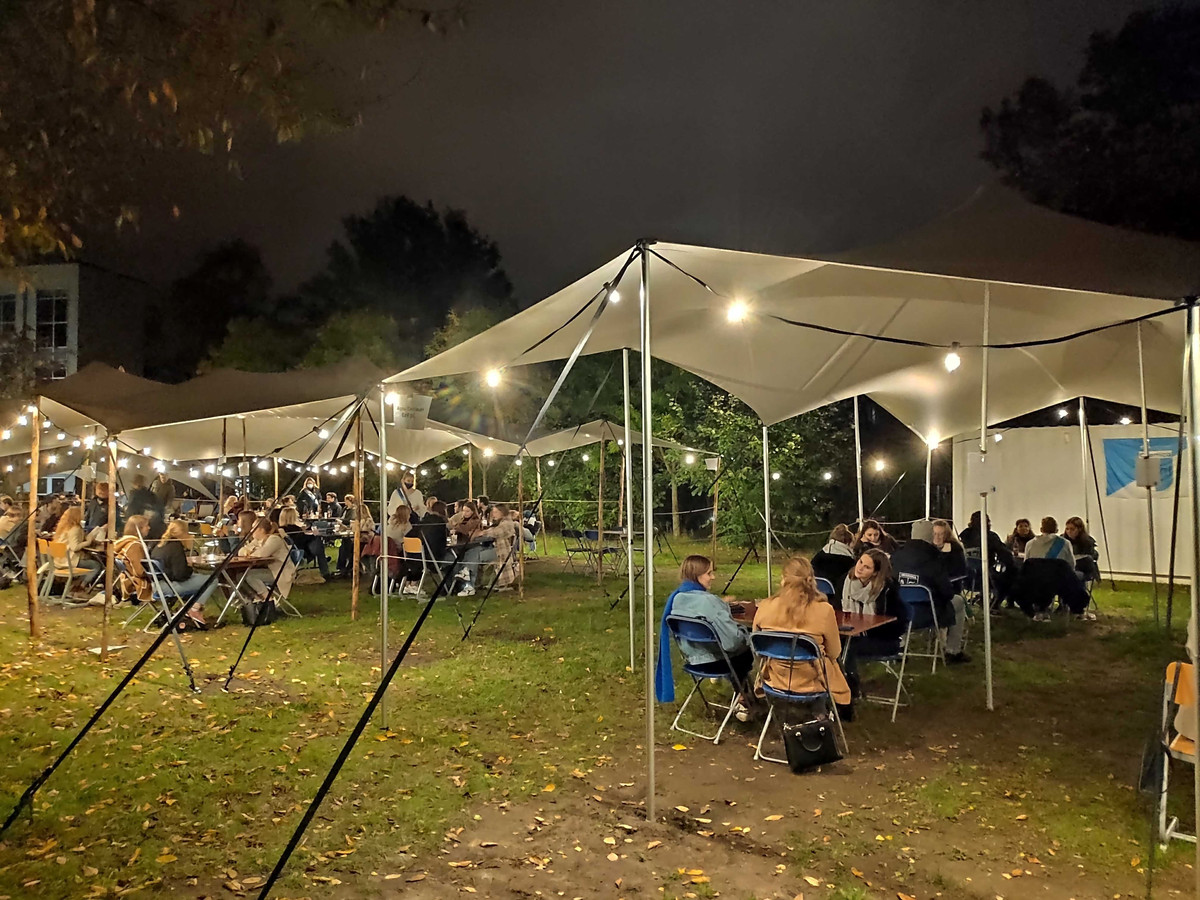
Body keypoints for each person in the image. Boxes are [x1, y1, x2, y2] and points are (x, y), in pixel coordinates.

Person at [655, 554, 753, 720]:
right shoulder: (709, 602)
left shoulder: (677, 599)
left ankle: (743, 696)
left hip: (693, 660)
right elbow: (732, 643)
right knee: (746, 651)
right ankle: (743, 698)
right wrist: (749, 635)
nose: (713, 577)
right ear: (696, 575)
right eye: (709, 573)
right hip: (716, 662)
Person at [754, 555, 853, 719]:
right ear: (811, 579)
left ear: (783, 579)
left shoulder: (766, 606)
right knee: (831, 664)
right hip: (814, 680)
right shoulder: (824, 610)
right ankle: (826, 714)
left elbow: (757, 646)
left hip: (775, 678)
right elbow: (835, 652)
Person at [890, 519, 970, 664]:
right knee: (958, 601)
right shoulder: (933, 558)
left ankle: (899, 648)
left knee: (902, 596)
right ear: (929, 536)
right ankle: (953, 651)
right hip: (925, 613)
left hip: (898, 612)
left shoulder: (896, 556)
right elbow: (946, 592)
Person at [150, 520, 218, 628]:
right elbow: (180, 575)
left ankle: (186, 609)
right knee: (212, 580)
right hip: (169, 586)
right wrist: (189, 568)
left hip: (157, 585)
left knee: (200, 578)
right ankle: (194, 609)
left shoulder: (160, 544)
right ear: (184, 533)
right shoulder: (176, 546)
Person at [958, 511, 1016, 604]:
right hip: (986, 577)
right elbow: (1004, 554)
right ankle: (995, 604)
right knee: (1010, 574)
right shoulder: (990, 536)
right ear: (987, 522)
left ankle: (983, 598)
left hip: (964, 577)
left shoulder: (964, 534)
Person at [238, 518, 297, 604]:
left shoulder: (274, 539)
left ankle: (269, 600)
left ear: (261, 530)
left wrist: (250, 551)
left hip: (281, 572)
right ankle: (256, 599)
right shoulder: (258, 541)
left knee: (250, 576)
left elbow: (262, 553)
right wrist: (249, 551)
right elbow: (241, 551)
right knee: (239, 576)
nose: (251, 531)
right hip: (271, 570)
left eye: (254, 528)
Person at [53, 506, 103, 594]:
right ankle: (80, 587)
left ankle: (75, 585)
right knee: (96, 566)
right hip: (69, 560)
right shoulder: (75, 529)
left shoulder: (65, 527)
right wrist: (88, 542)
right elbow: (74, 547)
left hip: (59, 560)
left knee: (88, 561)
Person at [278, 507, 330, 579]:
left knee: (318, 544)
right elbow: (302, 540)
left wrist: (305, 532)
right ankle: (325, 572)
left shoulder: (282, 528)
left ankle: (325, 570)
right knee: (318, 542)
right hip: (301, 551)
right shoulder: (294, 528)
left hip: (290, 550)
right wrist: (313, 534)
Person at [812, 524, 857, 603]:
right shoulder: (849, 561)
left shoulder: (818, 555)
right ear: (847, 542)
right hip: (838, 598)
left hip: (815, 594)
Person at [113, 515, 152, 604]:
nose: (149, 528)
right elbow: (140, 571)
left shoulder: (124, 542)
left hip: (126, 581)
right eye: (147, 526)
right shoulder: (134, 546)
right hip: (137, 584)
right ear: (139, 528)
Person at [1063, 516, 1100, 583]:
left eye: (1072, 529)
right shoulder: (1062, 540)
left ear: (1079, 529)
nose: (1069, 532)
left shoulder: (1087, 541)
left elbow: (1093, 557)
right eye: (1067, 529)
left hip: (1082, 569)